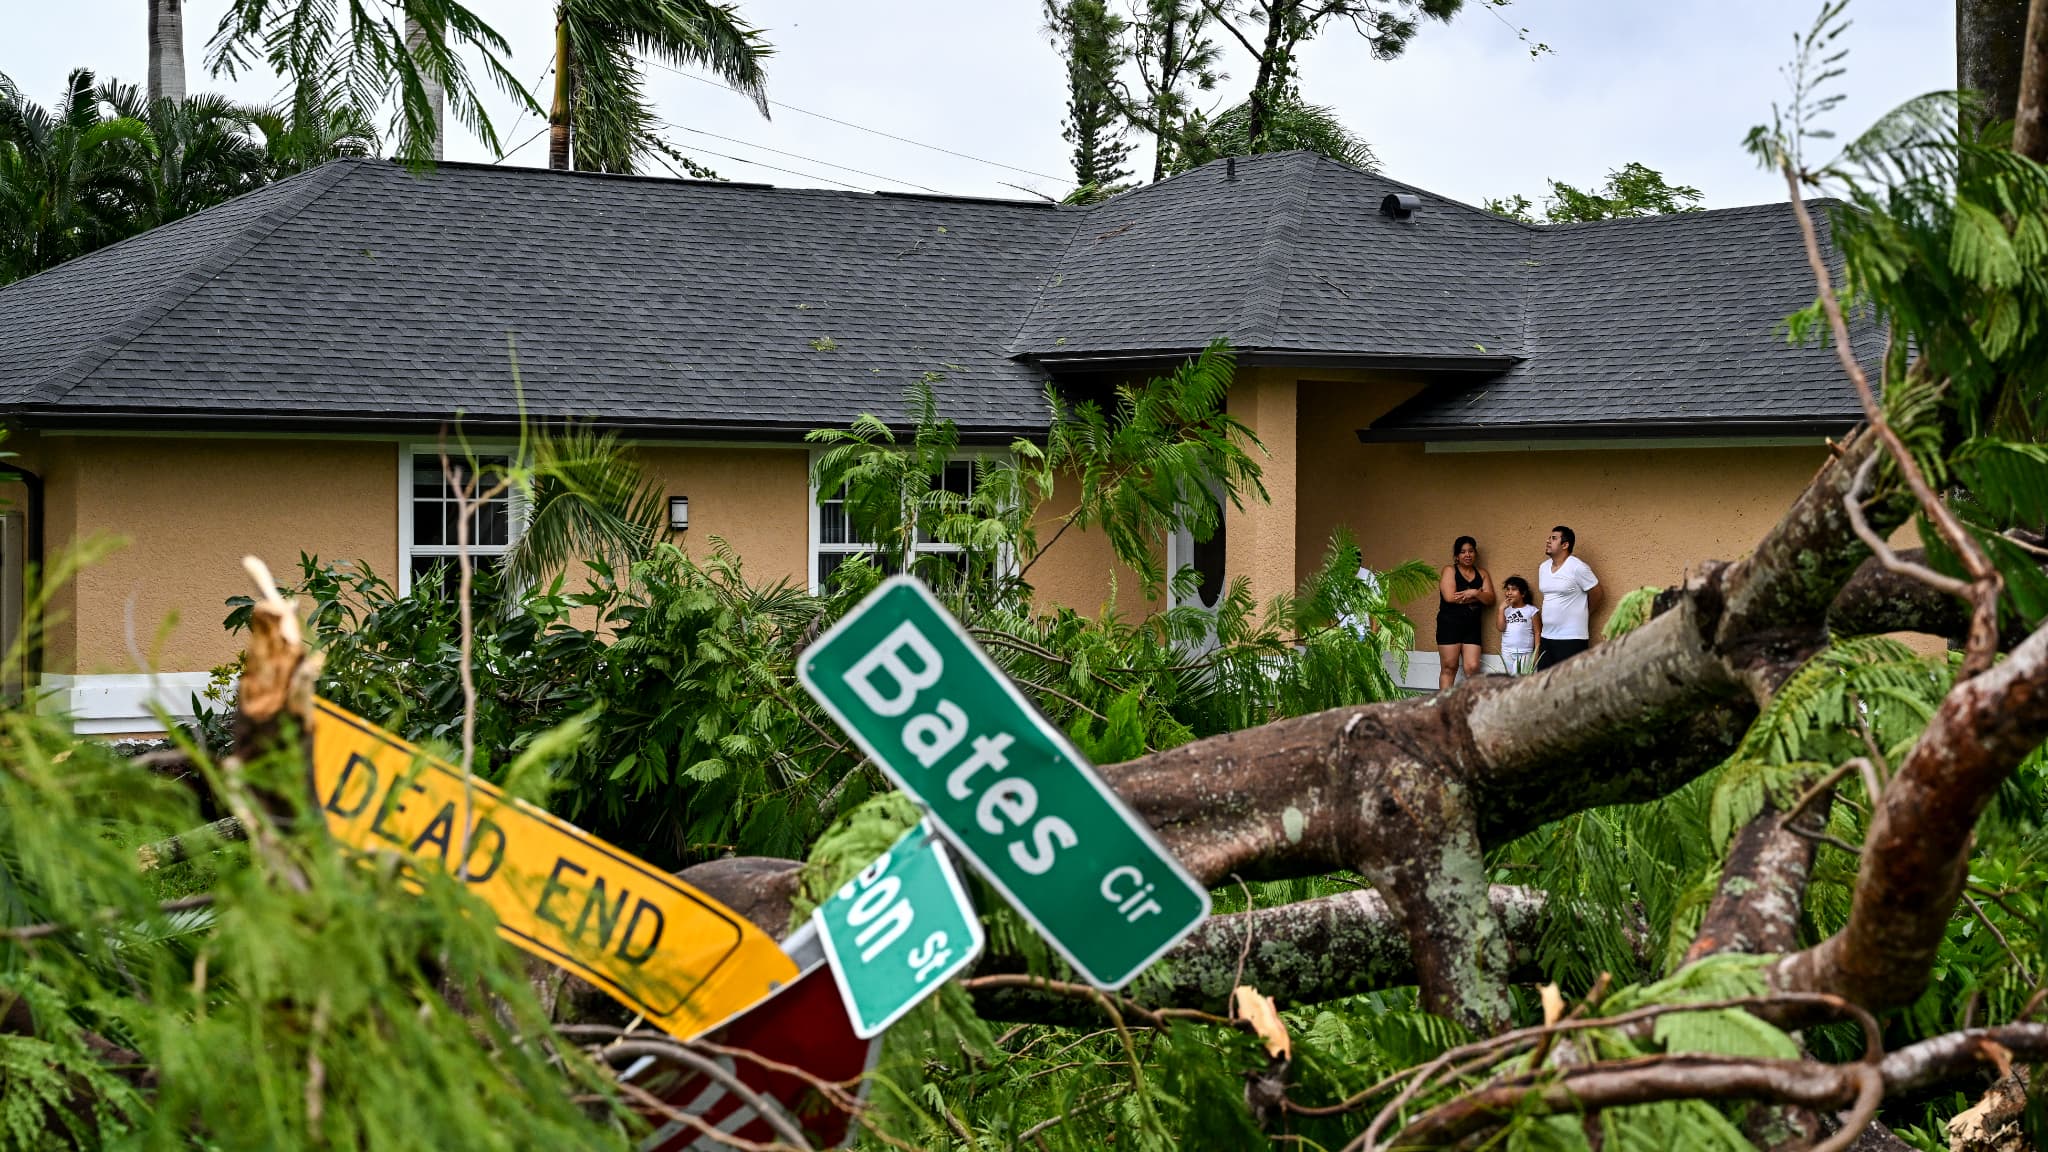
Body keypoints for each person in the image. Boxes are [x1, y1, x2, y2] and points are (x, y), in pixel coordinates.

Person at [1536, 525, 1600, 670]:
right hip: (1547, 637)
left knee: (1570, 685)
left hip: (1572, 638)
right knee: (1545, 683)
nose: (1548, 541)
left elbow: (1597, 593)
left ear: (1565, 545)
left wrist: (1585, 612)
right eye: (1549, 537)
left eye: (1553, 538)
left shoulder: (1578, 567)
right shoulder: (1543, 568)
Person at [1436, 536, 1494, 691]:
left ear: (1475, 553)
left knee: (1473, 668)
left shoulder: (1482, 573)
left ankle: (1470, 706)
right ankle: (1444, 707)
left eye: (1471, 551)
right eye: (1462, 552)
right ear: (1456, 556)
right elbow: (1449, 597)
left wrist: (1474, 593)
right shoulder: (1449, 570)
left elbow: (1490, 599)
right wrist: (1478, 596)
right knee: (1449, 667)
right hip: (1449, 624)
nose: (1467, 555)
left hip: (1472, 626)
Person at [1497, 576, 1539, 675]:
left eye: (1514, 589)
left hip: (1525, 652)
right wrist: (1501, 610)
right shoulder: (1506, 610)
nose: (1509, 592)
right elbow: (1500, 628)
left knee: (1521, 680)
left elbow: (1537, 632)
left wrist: (1536, 654)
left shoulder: (1531, 610)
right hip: (1507, 651)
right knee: (1509, 681)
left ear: (1523, 594)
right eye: (1507, 589)